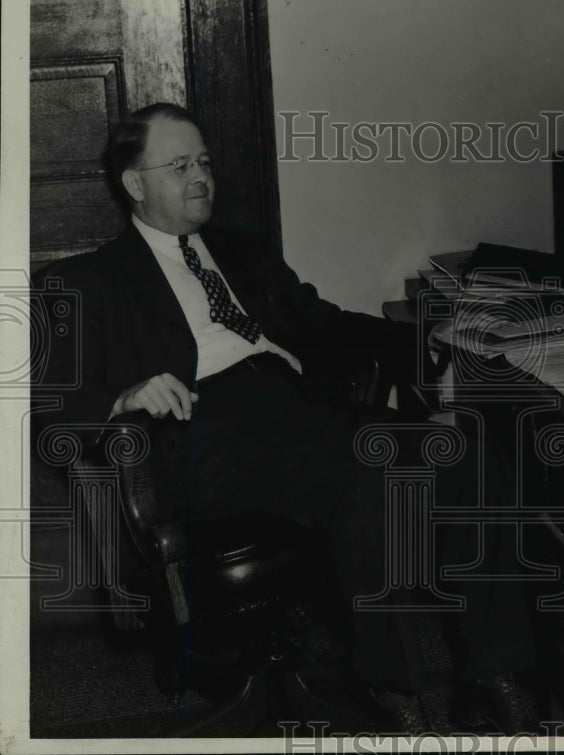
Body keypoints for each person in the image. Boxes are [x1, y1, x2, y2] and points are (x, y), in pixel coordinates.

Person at [34, 102, 538, 734]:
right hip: (204, 435)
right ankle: (396, 693)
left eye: (205, 162)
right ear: (135, 184)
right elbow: (50, 416)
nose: (201, 178)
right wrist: (126, 397)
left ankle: (495, 675)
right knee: (369, 470)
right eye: (179, 165)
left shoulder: (243, 252)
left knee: (462, 447)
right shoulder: (90, 281)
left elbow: (321, 324)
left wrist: (425, 339)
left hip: (302, 412)